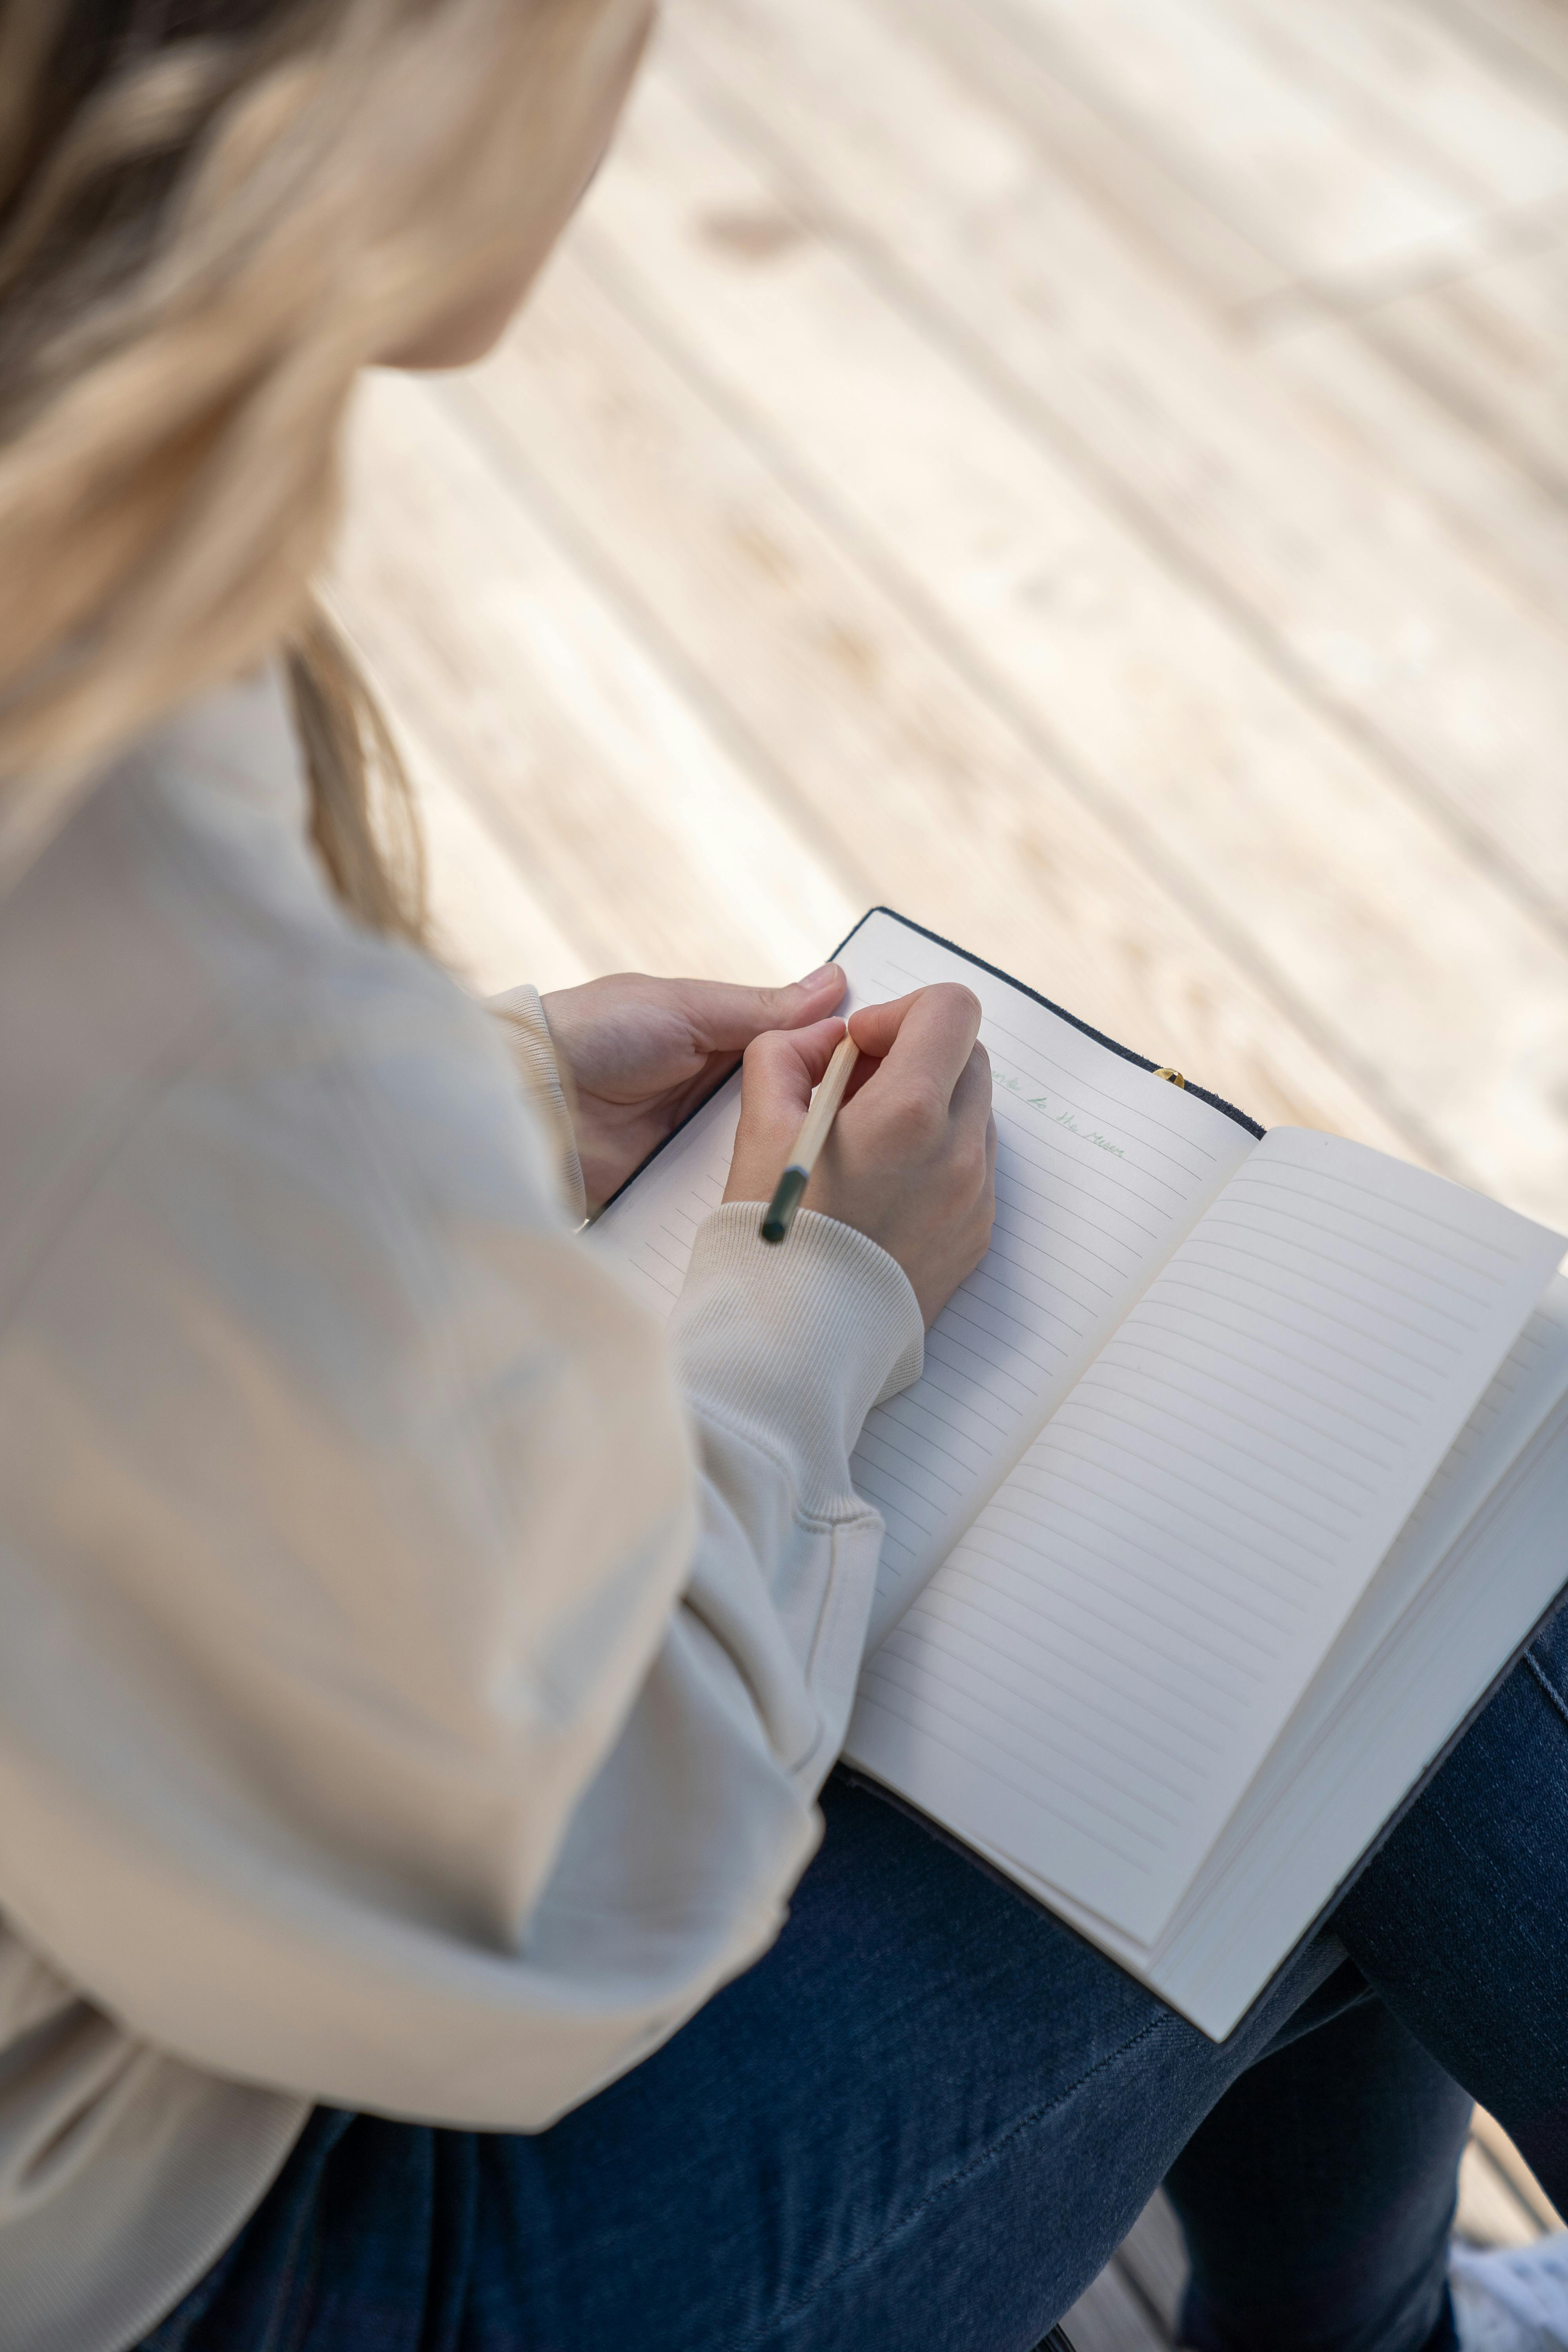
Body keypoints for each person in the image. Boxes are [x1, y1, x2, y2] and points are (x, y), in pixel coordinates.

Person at [0, 4, 1563, 2348]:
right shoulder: (115, 866)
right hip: (255, 2260)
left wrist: (484, 1098)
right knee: (1417, 1518)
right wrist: (807, 1298)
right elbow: (565, 1883)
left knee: (1377, 1557)